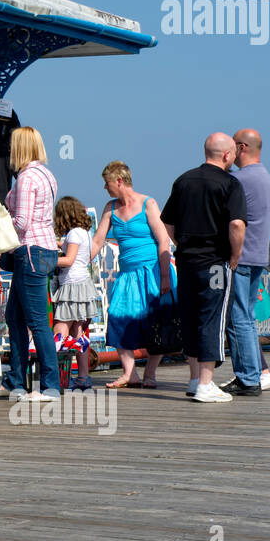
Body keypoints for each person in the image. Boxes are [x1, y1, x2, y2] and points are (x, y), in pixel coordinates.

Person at [160, 133, 248, 404]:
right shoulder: (230, 184)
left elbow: (168, 224)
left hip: (186, 261)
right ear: (226, 155)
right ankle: (206, 385)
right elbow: (236, 225)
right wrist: (235, 255)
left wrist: (184, 244)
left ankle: (195, 378)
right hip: (215, 263)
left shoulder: (183, 180)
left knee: (190, 317)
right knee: (212, 319)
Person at [90, 161, 174, 389]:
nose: (105, 188)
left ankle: (150, 372)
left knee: (157, 323)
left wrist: (165, 276)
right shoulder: (110, 208)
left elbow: (163, 240)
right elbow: (98, 240)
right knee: (117, 318)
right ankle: (130, 373)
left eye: (107, 183)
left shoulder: (148, 203)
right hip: (126, 275)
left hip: (153, 271)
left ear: (119, 181)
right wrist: (81, 262)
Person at [1, 127, 62, 401]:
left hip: (30, 250)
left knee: (37, 321)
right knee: (15, 317)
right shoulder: (47, 175)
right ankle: (16, 381)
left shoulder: (25, 178)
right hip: (45, 249)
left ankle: (50, 385)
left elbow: (22, 223)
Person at [222, 128, 270, 395]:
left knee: (238, 318)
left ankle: (247, 377)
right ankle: (254, 374)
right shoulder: (264, 176)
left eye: (232, 146)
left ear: (241, 148)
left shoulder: (239, 180)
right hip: (258, 255)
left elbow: (233, 222)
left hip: (241, 257)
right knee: (247, 316)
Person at [53, 196, 97, 390]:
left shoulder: (73, 234)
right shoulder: (84, 233)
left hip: (71, 286)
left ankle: (57, 376)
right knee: (78, 332)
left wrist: (46, 261)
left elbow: (69, 260)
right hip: (83, 285)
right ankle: (83, 377)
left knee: (60, 330)